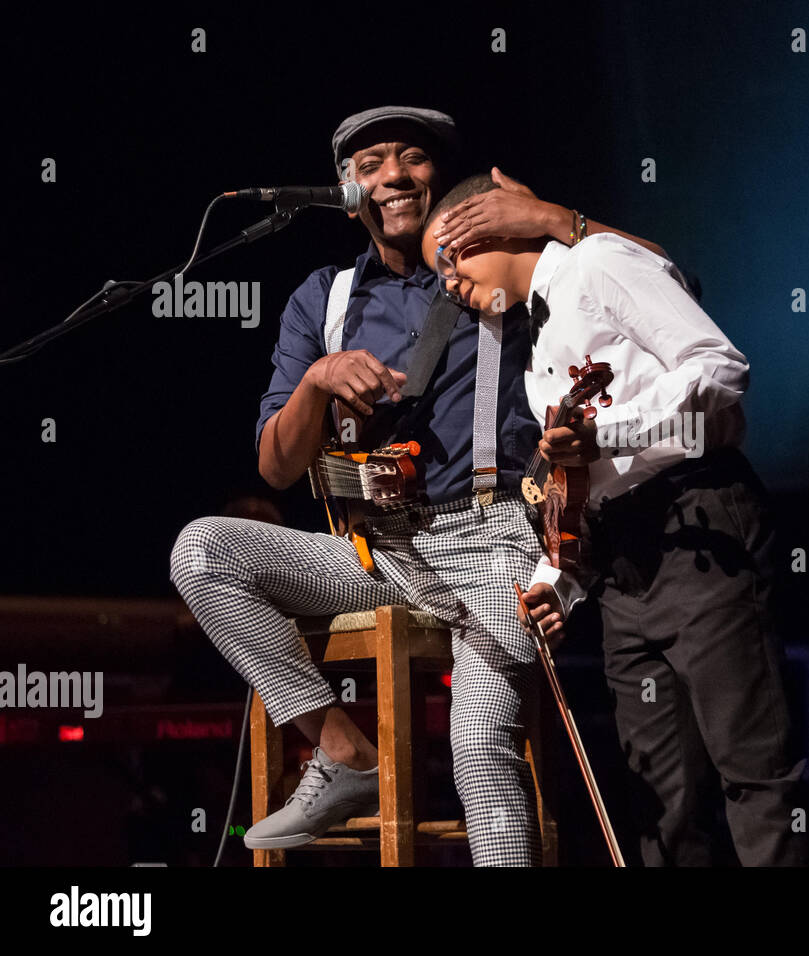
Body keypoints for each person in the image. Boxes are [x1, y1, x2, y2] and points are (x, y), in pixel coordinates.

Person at [169, 106, 663, 866]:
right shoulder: (324, 300)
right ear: (346, 189)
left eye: (411, 158)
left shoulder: (504, 260)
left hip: (499, 540)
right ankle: (345, 757)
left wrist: (558, 219)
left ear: (445, 177)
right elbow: (273, 468)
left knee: (479, 753)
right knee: (203, 553)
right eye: (370, 165)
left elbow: (664, 281)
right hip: (381, 554)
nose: (393, 175)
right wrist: (316, 382)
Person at [420, 173, 809, 866]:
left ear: (492, 227)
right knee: (660, 798)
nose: (449, 287)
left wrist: (613, 431)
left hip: (697, 526)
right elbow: (581, 489)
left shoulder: (599, 264)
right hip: (622, 568)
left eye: (450, 261)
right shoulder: (536, 354)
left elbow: (720, 369)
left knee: (753, 770)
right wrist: (557, 583)